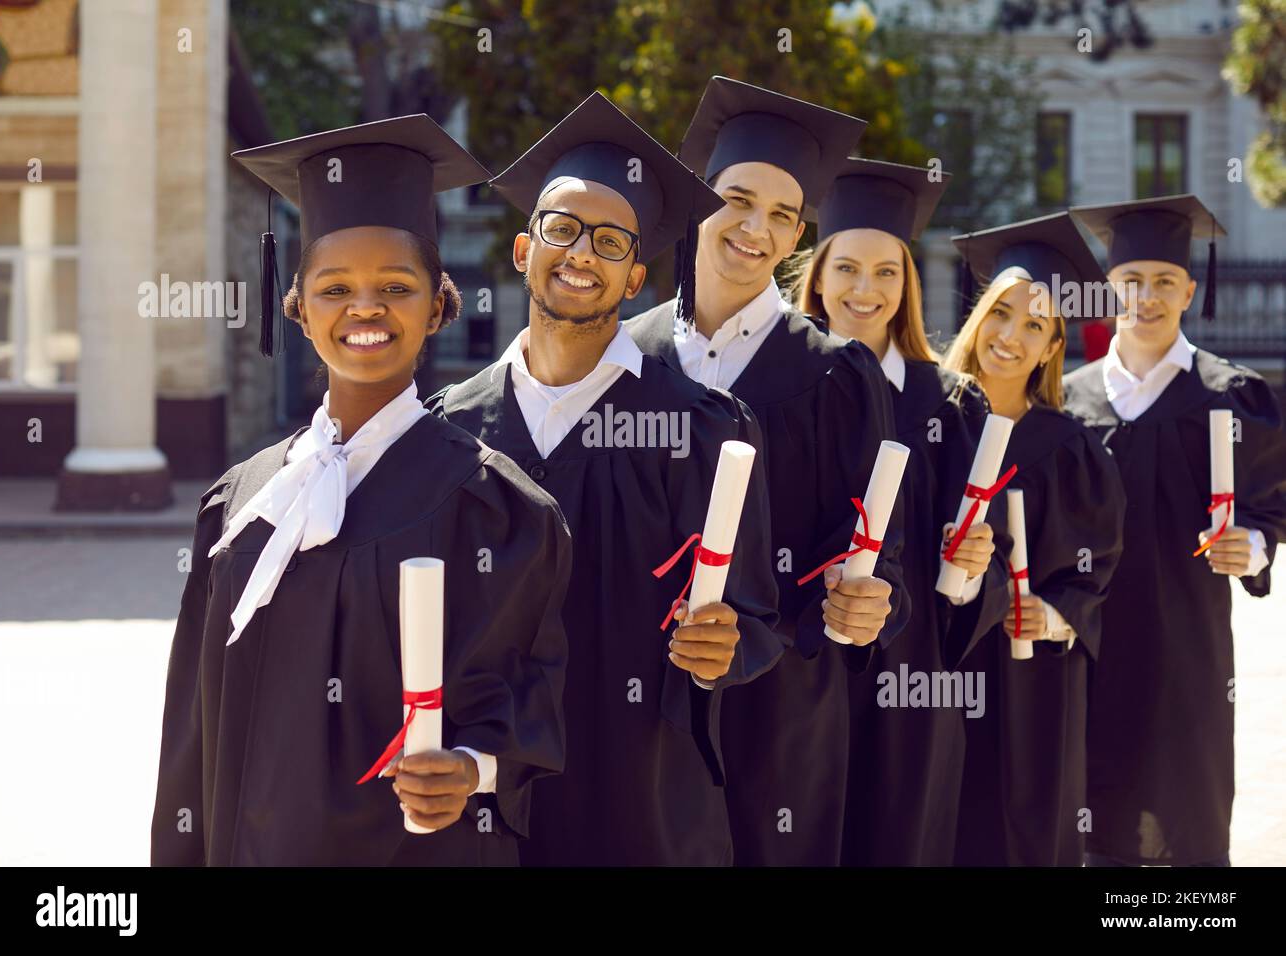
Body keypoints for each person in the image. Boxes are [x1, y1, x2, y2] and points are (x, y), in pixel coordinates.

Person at [150, 116, 571, 866]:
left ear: (438, 307)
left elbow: (530, 700)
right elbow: (192, 732)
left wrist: (472, 769)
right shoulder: (240, 503)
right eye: (336, 287)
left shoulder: (493, 507)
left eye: (396, 287)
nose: (366, 308)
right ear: (299, 307)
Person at [428, 92, 784, 865]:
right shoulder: (450, 430)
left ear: (635, 280)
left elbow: (755, 618)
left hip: (646, 794)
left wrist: (727, 645)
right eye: (562, 229)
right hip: (489, 794)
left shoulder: (703, 427)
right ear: (524, 252)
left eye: (611, 241)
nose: (582, 253)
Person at [626, 77, 908, 865]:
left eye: (783, 215)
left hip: (781, 706)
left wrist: (868, 605)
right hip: (642, 709)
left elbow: (873, 553)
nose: (757, 227)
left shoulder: (836, 374)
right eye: (737, 199)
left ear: (796, 239)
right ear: (696, 201)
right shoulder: (624, 358)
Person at [790, 159, 1007, 865]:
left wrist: (971, 569)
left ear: (908, 285)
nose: (866, 289)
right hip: (797, 678)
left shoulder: (947, 401)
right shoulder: (779, 389)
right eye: (848, 268)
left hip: (913, 688)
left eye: (888, 272)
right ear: (817, 276)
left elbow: (976, 574)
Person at [1063, 194, 1286, 867]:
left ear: (1189, 290)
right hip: (1084, 651)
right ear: (1109, 290)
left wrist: (1251, 545)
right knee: (1088, 816)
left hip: (1186, 651)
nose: (1148, 296)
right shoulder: (1068, 401)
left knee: (1188, 815)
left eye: (1165, 282)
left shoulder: (1231, 394)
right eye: (1132, 281)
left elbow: (1267, 511)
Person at [941, 212, 1126, 865]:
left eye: (1036, 326)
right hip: (930, 681)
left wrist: (1047, 614)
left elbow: (1092, 575)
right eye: (1002, 312)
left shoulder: (1067, 449)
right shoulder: (926, 422)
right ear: (978, 314)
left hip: (1031, 691)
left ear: (1053, 348)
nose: (1010, 336)